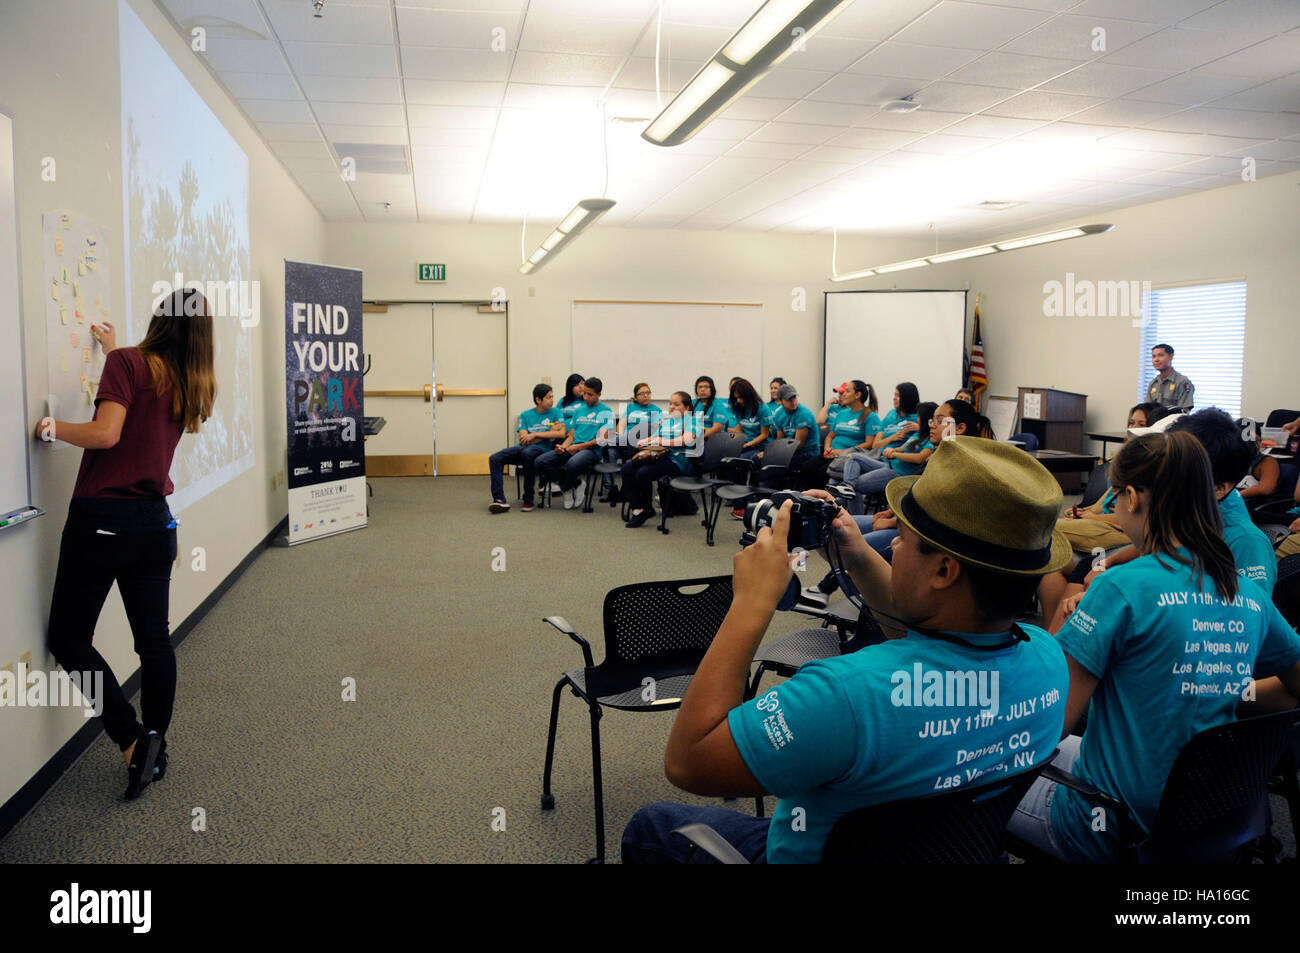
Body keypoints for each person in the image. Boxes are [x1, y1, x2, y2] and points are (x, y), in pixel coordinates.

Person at [621, 437, 1072, 863]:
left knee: (652, 826)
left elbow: (688, 761)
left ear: (943, 571)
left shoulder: (845, 695)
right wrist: (854, 552)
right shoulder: (1048, 659)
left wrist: (750, 603)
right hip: (943, 848)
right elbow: (934, 649)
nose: (893, 542)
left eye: (907, 540)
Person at [1009, 430, 1300, 862]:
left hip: (1110, 822)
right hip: (1205, 817)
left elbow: (1050, 726)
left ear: (1132, 497)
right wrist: (1220, 688)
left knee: (966, 780)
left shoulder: (1121, 589)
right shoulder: (1245, 593)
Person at [36, 289, 215, 800]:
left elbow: (107, 434)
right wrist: (115, 348)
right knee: (154, 642)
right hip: (155, 526)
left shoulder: (128, 364)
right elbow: (141, 410)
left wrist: (52, 428)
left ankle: (131, 740)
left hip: (102, 523)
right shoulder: (188, 380)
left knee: (68, 640)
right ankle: (155, 739)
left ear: (161, 318)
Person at [620, 391, 698, 528]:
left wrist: (664, 441)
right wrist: (644, 441)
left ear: (687, 408)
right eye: (670, 404)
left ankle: (646, 508)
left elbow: (687, 439)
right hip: (659, 456)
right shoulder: (668, 422)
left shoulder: (692, 421)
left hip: (676, 460)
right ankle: (640, 508)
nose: (671, 407)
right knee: (627, 469)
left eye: (676, 404)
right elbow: (655, 437)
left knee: (643, 473)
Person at [535, 378, 613, 510]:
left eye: (590, 394)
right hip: (573, 447)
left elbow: (602, 440)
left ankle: (565, 487)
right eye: (585, 393)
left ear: (599, 395)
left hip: (591, 451)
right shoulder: (579, 410)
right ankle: (574, 484)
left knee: (571, 464)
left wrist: (578, 447)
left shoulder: (606, 412)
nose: (586, 397)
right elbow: (572, 435)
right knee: (540, 462)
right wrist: (563, 447)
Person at [487, 383, 565, 513]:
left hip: (542, 450)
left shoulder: (556, 412)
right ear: (538, 400)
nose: (552, 400)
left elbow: (561, 433)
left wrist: (534, 435)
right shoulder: (525, 415)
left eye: (552, 397)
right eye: (548, 397)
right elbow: (523, 439)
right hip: (523, 448)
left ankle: (528, 499)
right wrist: (548, 432)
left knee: (528, 453)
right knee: (495, 458)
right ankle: (499, 500)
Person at [797, 380, 879, 489]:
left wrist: (844, 452)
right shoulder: (841, 414)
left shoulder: (870, 416)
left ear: (857, 395)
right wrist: (828, 450)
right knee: (806, 467)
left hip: (848, 457)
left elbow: (869, 444)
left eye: (847, 391)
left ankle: (824, 501)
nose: (843, 394)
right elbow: (830, 436)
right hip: (832, 454)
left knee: (822, 472)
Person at [767, 383, 819, 468]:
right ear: (780, 401)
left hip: (807, 453)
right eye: (788, 399)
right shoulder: (778, 414)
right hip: (789, 451)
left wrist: (776, 454)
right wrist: (771, 453)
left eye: (794, 397)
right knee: (763, 459)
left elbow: (798, 444)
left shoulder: (804, 414)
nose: (793, 401)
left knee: (778, 463)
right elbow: (780, 441)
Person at [1145, 343, 1194, 410]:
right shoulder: (1153, 383)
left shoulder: (1182, 382)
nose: (1156, 359)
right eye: (1153, 356)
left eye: (1160, 355)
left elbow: (1184, 411)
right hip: (1155, 420)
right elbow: (1147, 409)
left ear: (1171, 357)